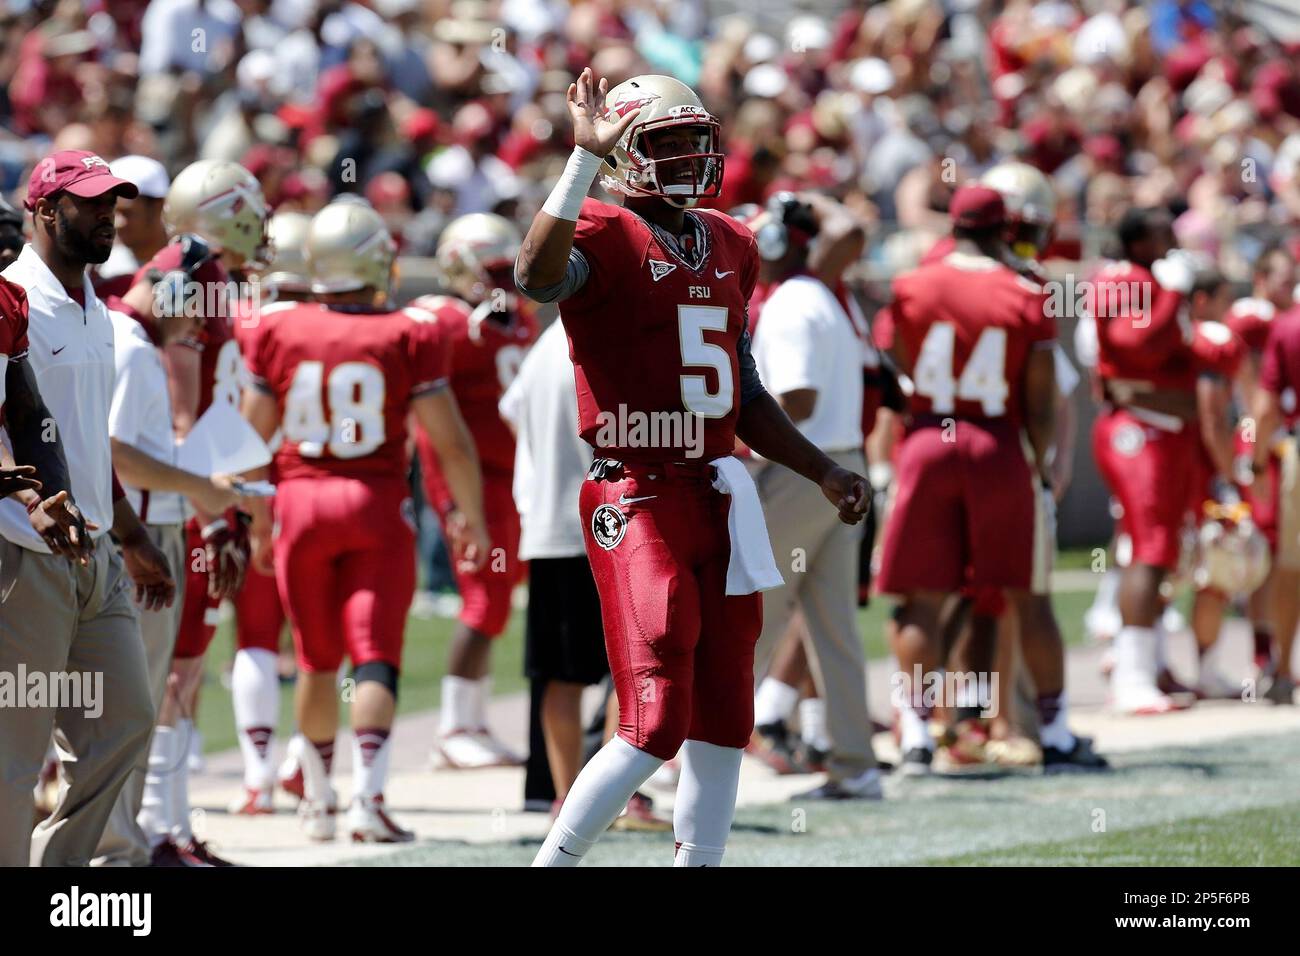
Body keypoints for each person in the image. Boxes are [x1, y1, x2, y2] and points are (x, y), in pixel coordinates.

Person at [515, 69, 868, 866]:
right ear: (625, 154)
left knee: (724, 706)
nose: (685, 157)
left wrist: (823, 471)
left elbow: (743, 392)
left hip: (716, 490)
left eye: (693, 141)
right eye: (664, 143)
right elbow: (533, 276)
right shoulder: (601, 229)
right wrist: (579, 161)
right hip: (635, 491)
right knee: (655, 715)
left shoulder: (732, 241)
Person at [240, 199, 490, 843]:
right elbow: (452, 443)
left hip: (300, 502)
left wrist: (258, 516)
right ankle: (367, 801)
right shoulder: (408, 331)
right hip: (374, 503)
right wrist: (470, 517)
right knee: (374, 659)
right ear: (375, 259)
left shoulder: (280, 328)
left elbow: (249, 441)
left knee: (317, 661)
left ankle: (319, 801)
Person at [0, 149, 174, 867]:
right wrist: (32, 498)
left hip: (94, 553)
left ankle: (64, 874)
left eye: (113, 201)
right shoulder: (11, 296)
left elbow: (84, 438)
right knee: (14, 753)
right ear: (45, 211)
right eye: (91, 202)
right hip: (22, 553)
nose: (109, 214)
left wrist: (131, 535)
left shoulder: (93, 303)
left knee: (125, 721)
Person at [873, 185, 1057, 776]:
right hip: (996, 442)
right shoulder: (1027, 291)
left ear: (952, 226)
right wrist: (1040, 461)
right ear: (1004, 229)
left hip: (928, 440)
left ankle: (917, 733)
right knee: (1023, 596)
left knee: (920, 601)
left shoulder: (910, 285)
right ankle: (1051, 727)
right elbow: (1041, 401)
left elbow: (895, 370)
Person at [115, 159, 270, 864]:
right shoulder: (192, 270)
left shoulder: (199, 269)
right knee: (172, 675)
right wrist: (219, 514)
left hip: (188, 494)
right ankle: (154, 831)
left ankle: (169, 827)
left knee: (180, 673)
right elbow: (183, 414)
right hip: (175, 501)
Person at [94, 235, 241, 867]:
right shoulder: (129, 345)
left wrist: (207, 511)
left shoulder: (136, 340)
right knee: (125, 710)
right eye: (194, 308)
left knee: (135, 706)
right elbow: (117, 454)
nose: (195, 327)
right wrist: (206, 490)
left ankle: (128, 845)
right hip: (138, 541)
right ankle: (113, 854)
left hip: (153, 532)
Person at [745, 191, 882, 799]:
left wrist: (745, 439)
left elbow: (797, 399)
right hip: (841, 463)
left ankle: (688, 749)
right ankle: (856, 764)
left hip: (808, 472)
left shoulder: (793, 304)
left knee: (747, 613)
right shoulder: (822, 296)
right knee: (834, 627)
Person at [1090, 208, 1245, 714]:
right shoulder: (1124, 280)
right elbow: (1142, 345)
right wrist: (1175, 294)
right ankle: (1130, 673)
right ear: (1136, 241)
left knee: (1168, 551)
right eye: (1160, 235)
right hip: (1140, 430)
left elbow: (1177, 348)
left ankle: (1150, 662)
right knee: (1150, 549)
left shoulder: (1153, 284)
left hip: (1168, 431)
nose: (1170, 244)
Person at [411, 213, 537, 769]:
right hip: (468, 477)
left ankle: (474, 721)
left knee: (498, 601)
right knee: (484, 600)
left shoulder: (515, 321)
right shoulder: (446, 323)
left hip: (513, 476)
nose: (505, 280)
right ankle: (453, 726)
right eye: (493, 269)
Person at [229, 210, 308, 816]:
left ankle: (258, 774)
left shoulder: (234, 315)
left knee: (254, 636)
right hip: (309, 483)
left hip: (240, 481)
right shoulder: (327, 321)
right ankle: (300, 763)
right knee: (320, 637)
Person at [95, 155, 171, 299]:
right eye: (112, 212)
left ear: (158, 206)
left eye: (127, 213)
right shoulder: (107, 270)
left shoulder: (193, 263)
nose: (117, 223)